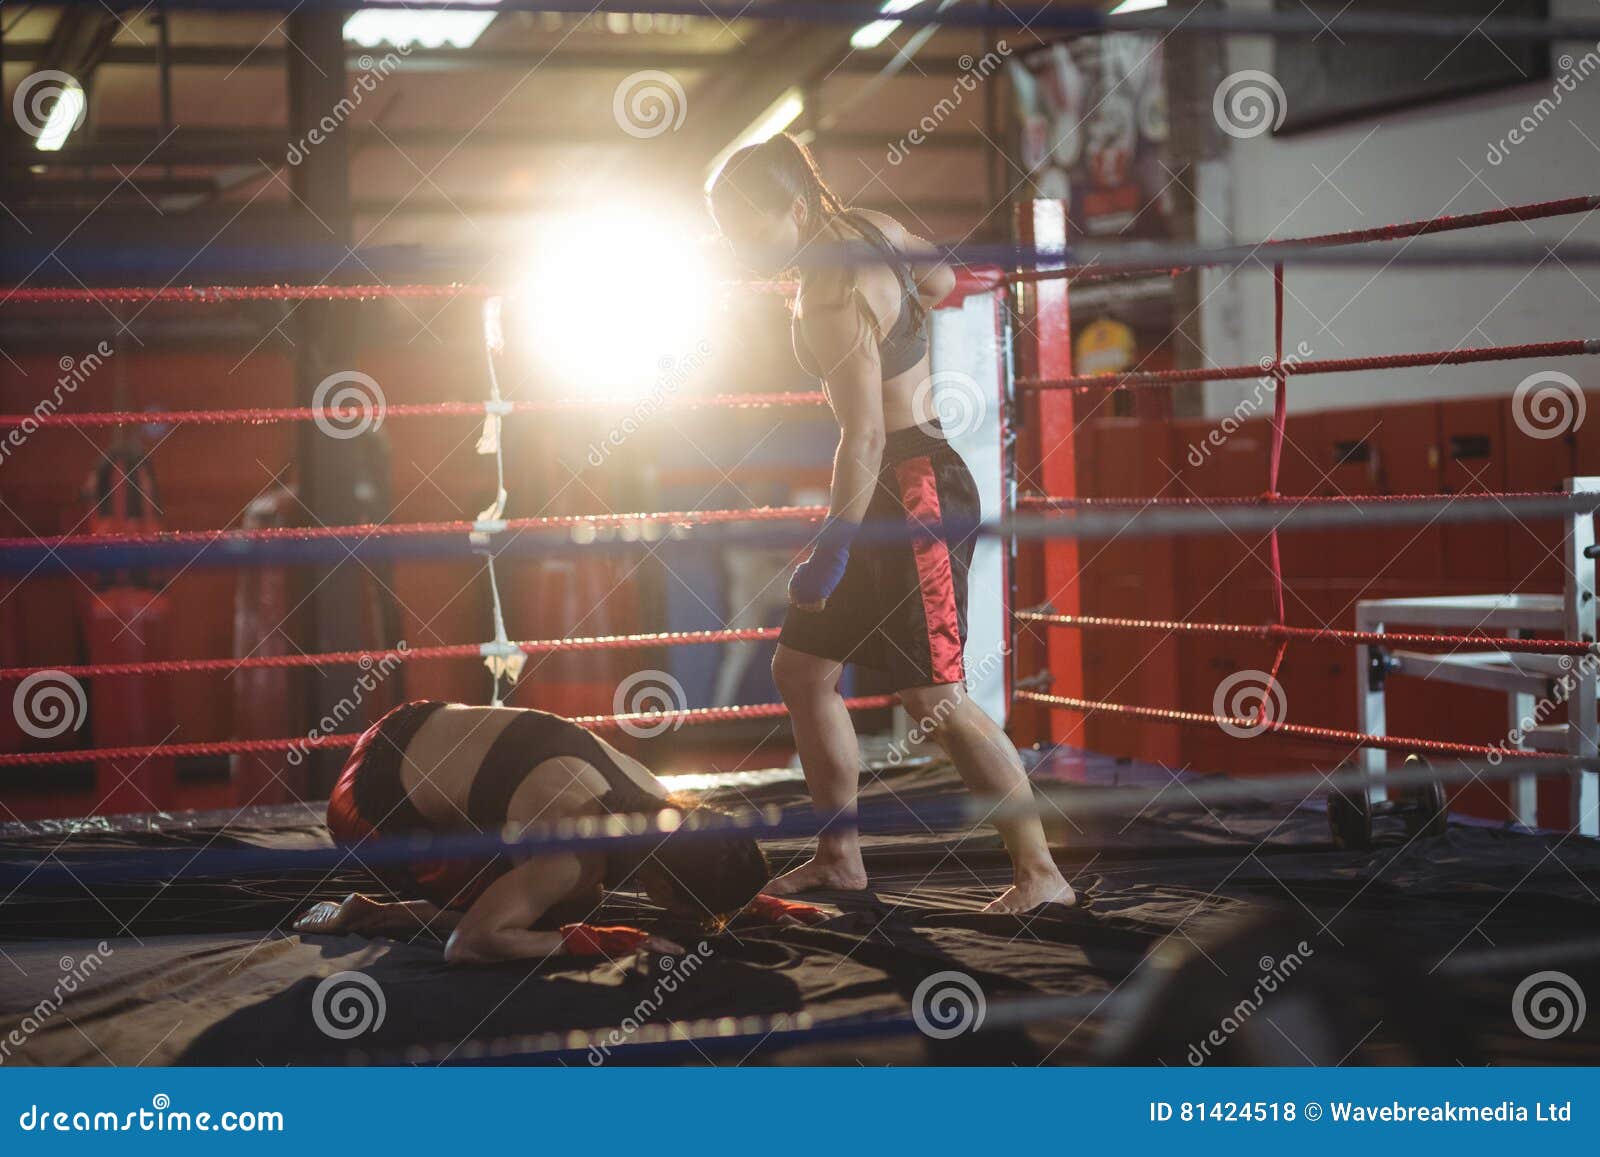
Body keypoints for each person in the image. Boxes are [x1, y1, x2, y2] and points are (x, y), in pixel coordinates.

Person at [708, 133, 1075, 913]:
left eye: (748, 228)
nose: (738, 248)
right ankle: (839, 856)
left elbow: (865, 435)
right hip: (895, 484)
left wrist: (831, 549)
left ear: (796, 209)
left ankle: (1042, 872)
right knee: (802, 670)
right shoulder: (871, 225)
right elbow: (941, 279)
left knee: (933, 697)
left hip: (912, 493)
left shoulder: (830, 291)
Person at [292, 700, 794, 964]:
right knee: (565, 908)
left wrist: (752, 896)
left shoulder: (655, 794)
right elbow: (467, 946)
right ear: (663, 887)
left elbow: (702, 854)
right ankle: (373, 915)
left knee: (566, 893)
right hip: (366, 802)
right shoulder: (572, 853)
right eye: (698, 910)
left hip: (406, 720)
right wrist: (592, 942)